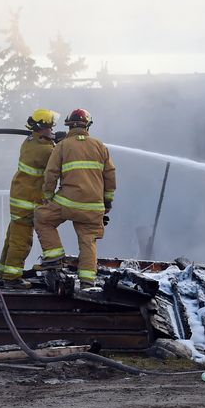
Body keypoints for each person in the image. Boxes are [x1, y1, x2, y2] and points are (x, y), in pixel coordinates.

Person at [34, 108, 115, 289]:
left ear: (69, 125)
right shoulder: (100, 146)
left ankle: (54, 257)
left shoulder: (63, 146)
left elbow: (51, 173)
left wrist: (48, 196)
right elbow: (110, 176)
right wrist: (107, 201)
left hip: (67, 202)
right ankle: (87, 282)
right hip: (93, 205)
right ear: (88, 126)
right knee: (88, 241)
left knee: (42, 218)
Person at [0, 109, 60, 289]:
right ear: (42, 128)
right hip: (28, 201)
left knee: (12, 238)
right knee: (21, 242)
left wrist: (53, 141)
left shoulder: (30, 141)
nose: (52, 130)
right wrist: (62, 143)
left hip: (20, 198)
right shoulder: (45, 150)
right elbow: (58, 160)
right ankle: (11, 278)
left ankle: (5, 273)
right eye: (50, 127)